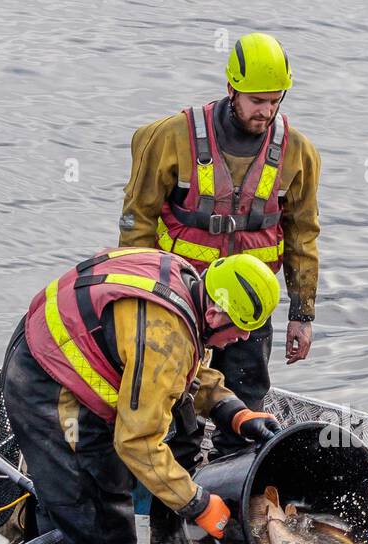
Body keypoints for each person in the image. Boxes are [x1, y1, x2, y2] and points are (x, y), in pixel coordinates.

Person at [2, 248, 283, 544]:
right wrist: (197, 502)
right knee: (99, 524)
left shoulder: (191, 290)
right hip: (48, 388)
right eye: (238, 330)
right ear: (218, 313)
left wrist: (234, 413)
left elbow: (189, 366)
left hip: (54, 349)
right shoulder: (164, 337)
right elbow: (137, 442)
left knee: (68, 513)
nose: (240, 340)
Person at [117, 31, 321, 468]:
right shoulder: (171, 138)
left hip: (250, 307)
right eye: (256, 100)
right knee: (172, 408)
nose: (266, 111)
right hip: (184, 303)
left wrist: (302, 314)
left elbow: (303, 236)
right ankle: (171, 499)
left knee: (246, 405)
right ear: (232, 89)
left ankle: (231, 496)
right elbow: (137, 221)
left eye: (275, 100)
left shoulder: (298, 154)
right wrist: (141, 298)